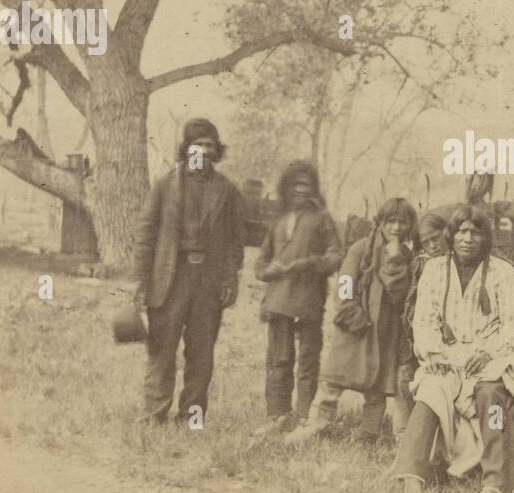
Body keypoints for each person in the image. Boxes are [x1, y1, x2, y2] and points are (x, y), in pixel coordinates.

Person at [391, 205, 514, 493]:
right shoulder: (434, 270)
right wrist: (435, 355)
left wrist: (488, 352)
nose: (468, 238)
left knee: (490, 395)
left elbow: (513, 325)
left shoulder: (502, 272)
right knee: (431, 388)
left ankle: (495, 485)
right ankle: (411, 478)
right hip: (448, 355)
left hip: (495, 355)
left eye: (475, 232)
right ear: (451, 235)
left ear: (486, 237)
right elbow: (424, 321)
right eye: (461, 231)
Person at [132, 118, 245, 426]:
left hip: (207, 282)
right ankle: (154, 415)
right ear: (187, 149)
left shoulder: (228, 190)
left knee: (202, 355)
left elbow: (236, 242)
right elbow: (145, 235)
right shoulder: (165, 185)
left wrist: (229, 277)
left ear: (216, 151)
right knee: (162, 350)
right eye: (198, 145)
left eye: (210, 146)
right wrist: (139, 282)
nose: (204, 152)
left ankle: (191, 418)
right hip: (170, 278)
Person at [287, 198, 417, 445]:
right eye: (391, 222)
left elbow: (399, 292)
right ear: (380, 223)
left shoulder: (406, 257)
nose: (396, 228)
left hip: (386, 332)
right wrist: (352, 314)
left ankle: (368, 434)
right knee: (333, 383)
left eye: (402, 222)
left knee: (377, 387)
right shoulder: (360, 249)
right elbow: (345, 285)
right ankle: (315, 427)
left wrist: (395, 259)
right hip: (355, 328)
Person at [252, 161, 342, 435]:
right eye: (295, 186)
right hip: (278, 301)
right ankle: (277, 414)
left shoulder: (322, 219)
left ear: (313, 189)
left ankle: (304, 416)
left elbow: (336, 256)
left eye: (306, 185)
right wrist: (268, 270)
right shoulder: (278, 221)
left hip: (308, 301)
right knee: (278, 359)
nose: (300, 191)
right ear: (286, 189)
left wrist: (309, 264)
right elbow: (260, 263)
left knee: (307, 359)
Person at [395, 209, 451, 440]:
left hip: (445, 337)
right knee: (404, 379)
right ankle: (402, 435)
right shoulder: (419, 265)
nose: (432, 246)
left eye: (436, 239)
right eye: (425, 242)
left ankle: (432, 437)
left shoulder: (456, 264)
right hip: (412, 334)